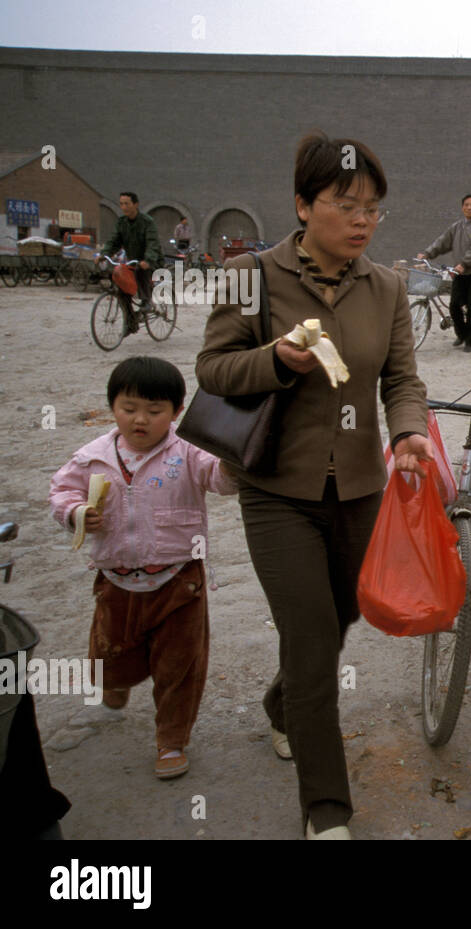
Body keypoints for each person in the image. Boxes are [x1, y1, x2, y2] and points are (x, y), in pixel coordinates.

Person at [196, 132, 432, 839]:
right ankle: (327, 808)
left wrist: (410, 429)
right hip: (276, 487)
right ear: (303, 205)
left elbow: (401, 379)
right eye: (345, 204)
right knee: (310, 633)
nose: (362, 220)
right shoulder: (250, 274)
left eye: (373, 209)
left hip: (359, 485)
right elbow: (212, 369)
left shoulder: (386, 286)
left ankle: (281, 704)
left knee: (339, 619)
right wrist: (276, 358)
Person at [49, 356, 238, 780]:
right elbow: (60, 491)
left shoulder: (188, 452)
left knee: (180, 666)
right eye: (128, 408)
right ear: (112, 406)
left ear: (176, 412)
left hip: (179, 581)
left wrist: (234, 460)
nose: (140, 420)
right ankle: (115, 684)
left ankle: (171, 741)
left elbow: (221, 481)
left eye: (155, 411)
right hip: (116, 579)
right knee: (111, 653)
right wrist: (76, 512)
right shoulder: (92, 457)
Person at [419, 194, 471, 352]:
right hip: (459, 274)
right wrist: (427, 253)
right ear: (462, 207)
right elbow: (443, 241)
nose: (469, 207)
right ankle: (462, 334)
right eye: (466, 205)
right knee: (453, 306)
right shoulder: (457, 227)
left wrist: (464, 263)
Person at [102, 192, 163, 326]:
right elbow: (114, 241)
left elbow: (152, 243)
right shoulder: (121, 223)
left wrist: (148, 260)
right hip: (133, 260)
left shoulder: (147, 222)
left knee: (141, 271)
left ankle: (146, 301)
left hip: (152, 260)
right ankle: (131, 322)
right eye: (121, 204)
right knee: (122, 287)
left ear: (135, 204)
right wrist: (104, 254)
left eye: (127, 204)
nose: (124, 207)